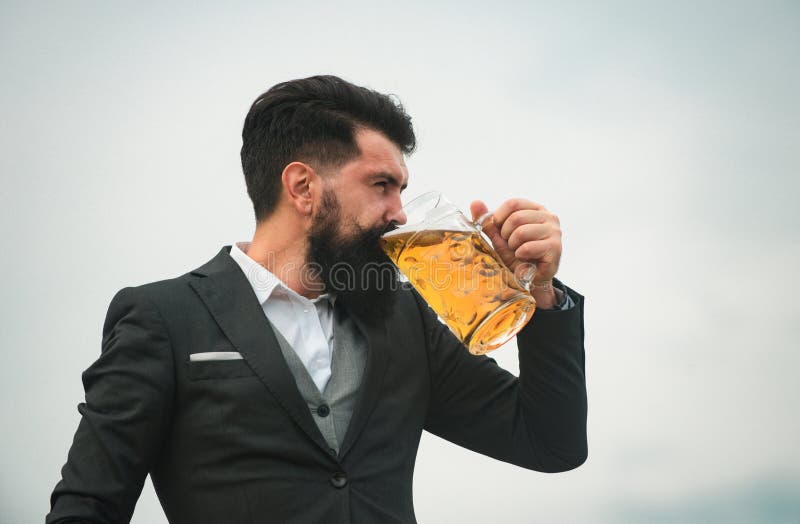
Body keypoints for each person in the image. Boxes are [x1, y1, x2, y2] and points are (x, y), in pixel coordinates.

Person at [47, 75, 587, 523]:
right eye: (382, 185)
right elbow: (87, 507)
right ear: (303, 187)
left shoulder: (406, 321)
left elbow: (550, 442)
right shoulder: (163, 318)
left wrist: (539, 293)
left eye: (402, 188)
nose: (399, 212)